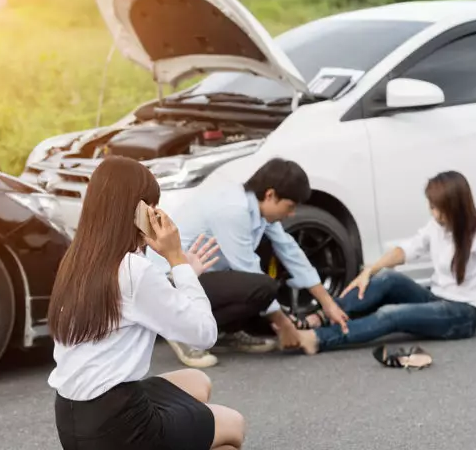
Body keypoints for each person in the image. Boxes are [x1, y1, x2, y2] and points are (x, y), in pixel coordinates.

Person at [46, 156, 245, 450]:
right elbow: (204, 334)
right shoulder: (132, 270)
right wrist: (177, 260)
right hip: (118, 427)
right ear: (136, 210)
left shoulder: (78, 259)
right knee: (233, 425)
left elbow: (135, 302)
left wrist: (183, 274)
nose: (155, 214)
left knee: (197, 382)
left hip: (73, 418)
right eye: (151, 206)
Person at [292, 170, 476, 361]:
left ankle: (318, 340)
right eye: (431, 207)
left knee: (391, 315)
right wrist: (368, 272)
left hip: (463, 315)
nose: (433, 213)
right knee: (388, 280)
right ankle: (320, 318)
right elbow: (406, 250)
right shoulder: (437, 226)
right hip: (437, 297)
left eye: (438, 208)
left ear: (456, 207)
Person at [149, 158, 349, 368]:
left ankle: (224, 332)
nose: (291, 214)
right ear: (270, 195)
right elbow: (248, 271)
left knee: (264, 273)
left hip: (197, 276)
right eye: (289, 207)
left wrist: (328, 304)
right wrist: (285, 325)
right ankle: (183, 331)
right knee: (263, 287)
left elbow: (290, 250)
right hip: (171, 284)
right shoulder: (233, 210)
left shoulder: (256, 206)